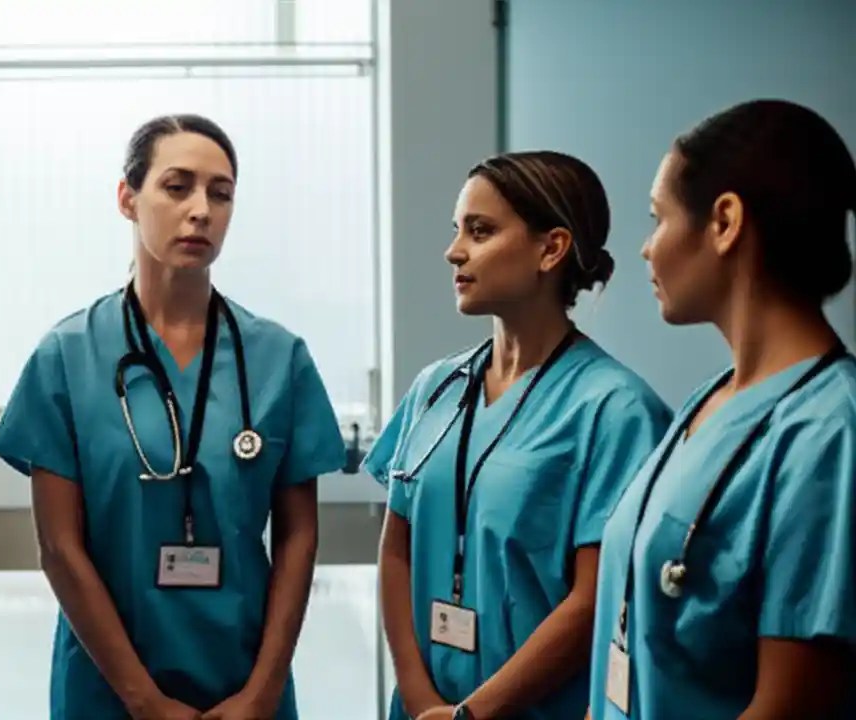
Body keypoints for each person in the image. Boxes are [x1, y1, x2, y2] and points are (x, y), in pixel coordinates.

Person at [0, 114, 346, 720]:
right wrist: (144, 700)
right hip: (108, 689)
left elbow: (297, 537)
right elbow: (59, 547)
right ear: (128, 198)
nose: (201, 209)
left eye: (221, 192)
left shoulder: (277, 357)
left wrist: (262, 692)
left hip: (244, 682)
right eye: (177, 186)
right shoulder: (68, 355)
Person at [365, 151, 672, 720]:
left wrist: (473, 715)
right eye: (457, 230)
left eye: (479, 231)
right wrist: (417, 697)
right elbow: (396, 549)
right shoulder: (436, 387)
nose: (454, 251)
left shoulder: (615, 409)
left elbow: (593, 600)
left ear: (551, 249)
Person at [587, 99, 856, 720]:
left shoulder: (828, 434)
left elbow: (790, 706)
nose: (647, 249)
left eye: (658, 219)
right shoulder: (707, 401)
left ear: (725, 221)